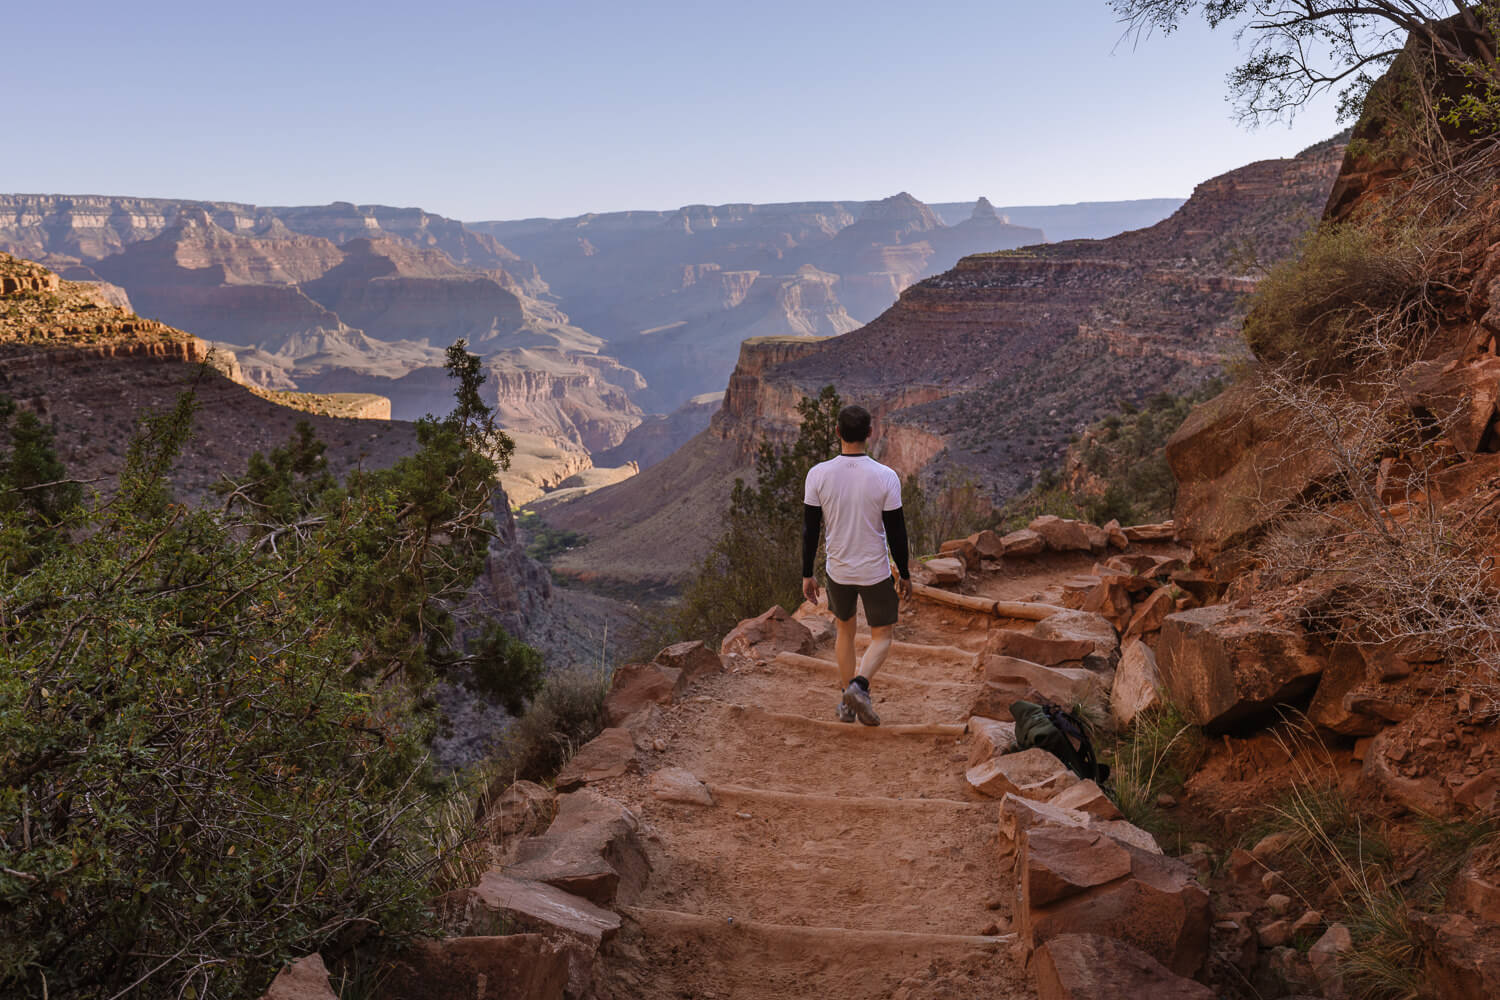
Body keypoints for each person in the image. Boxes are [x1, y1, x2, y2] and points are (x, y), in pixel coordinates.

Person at [801, 405, 912, 726]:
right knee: (882, 637)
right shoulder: (886, 476)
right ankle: (859, 686)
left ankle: (847, 703)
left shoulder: (818, 474)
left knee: (844, 633)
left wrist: (807, 573)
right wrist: (904, 573)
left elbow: (810, 530)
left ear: (837, 432)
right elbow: (897, 532)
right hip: (875, 571)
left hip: (838, 570)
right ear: (870, 433)